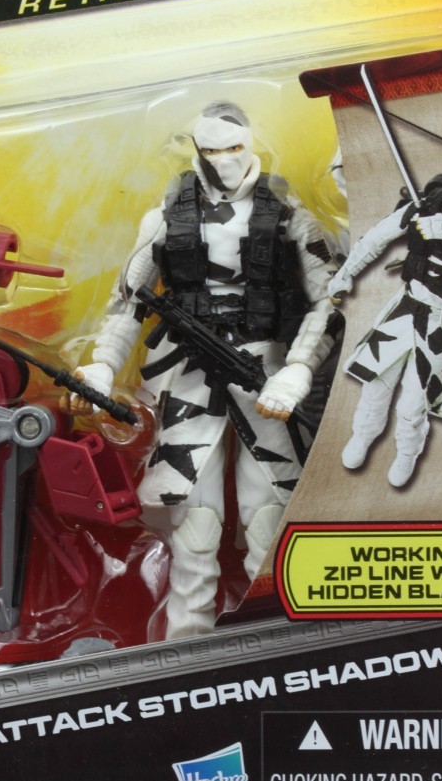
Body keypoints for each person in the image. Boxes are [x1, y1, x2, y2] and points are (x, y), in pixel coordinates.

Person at [68, 102, 334, 638]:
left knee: (270, 518)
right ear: (196, 150)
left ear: (252, 145)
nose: (224, 162)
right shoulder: (167, 216)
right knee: (195, 523)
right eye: (212, 151)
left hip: (265, 371)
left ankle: (283, 639)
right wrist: (101, 366)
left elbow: (332, 298)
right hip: (188, 371)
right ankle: (186, 642)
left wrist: (300, 370)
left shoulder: (289, 215)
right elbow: (128, 300)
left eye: (234, 149)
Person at [328, 158, 442, 488]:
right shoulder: (425, 206)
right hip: (406, 306)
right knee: (375, 385)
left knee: (416, 402)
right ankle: (363, 436)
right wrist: (346, 273)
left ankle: (406, 453)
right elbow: (376, 237)